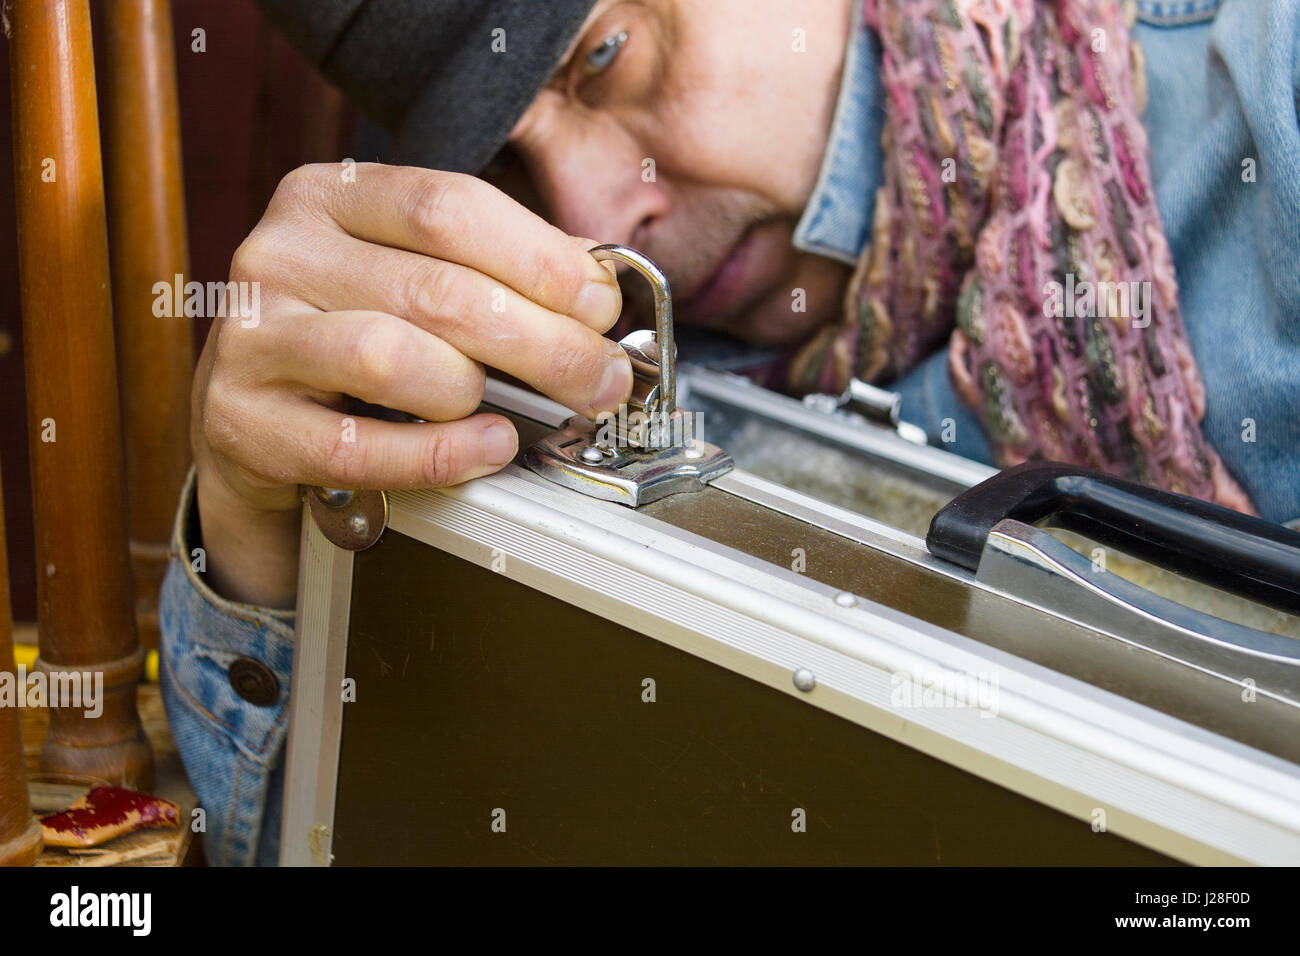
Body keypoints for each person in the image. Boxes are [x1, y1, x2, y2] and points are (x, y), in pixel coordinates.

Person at [161, 0, 1300, 864]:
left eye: (604, 55)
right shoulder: (515, 358)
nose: (597, 213)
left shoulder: (1270, 103)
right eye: (508, 164)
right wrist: (257, 545)